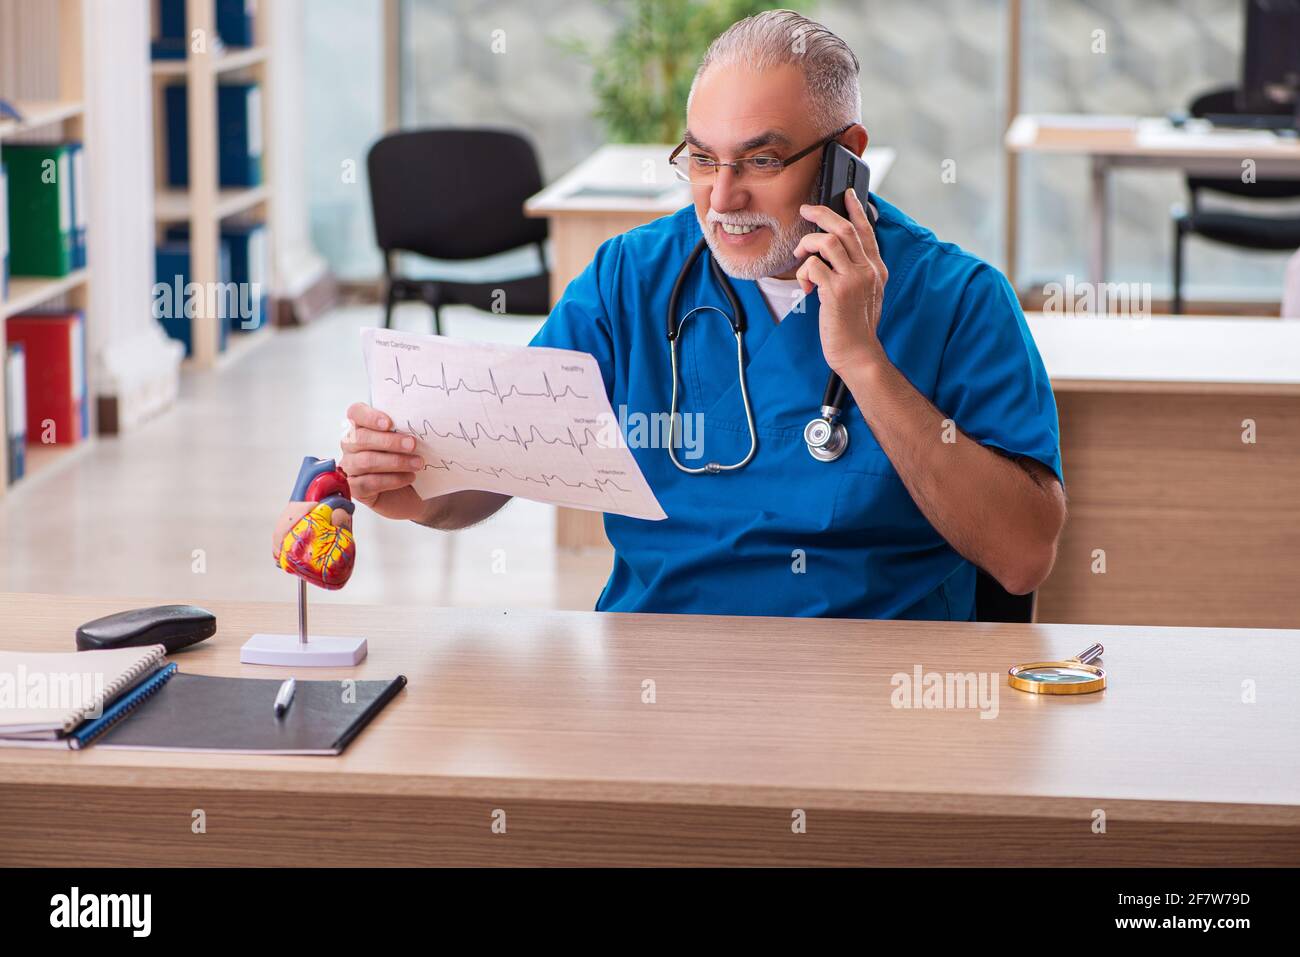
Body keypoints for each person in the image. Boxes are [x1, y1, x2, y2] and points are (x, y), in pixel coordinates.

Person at [340, 9, 1066, 621]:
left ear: (847, 156)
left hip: (872, 688)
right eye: (702, 159)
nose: (721, 198)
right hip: (659, 681)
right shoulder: (632, 277)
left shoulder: (960, 299)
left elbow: (1023, 556)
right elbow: (492, 467)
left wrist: (865, 364)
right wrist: (414, 492)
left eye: (761, 161)